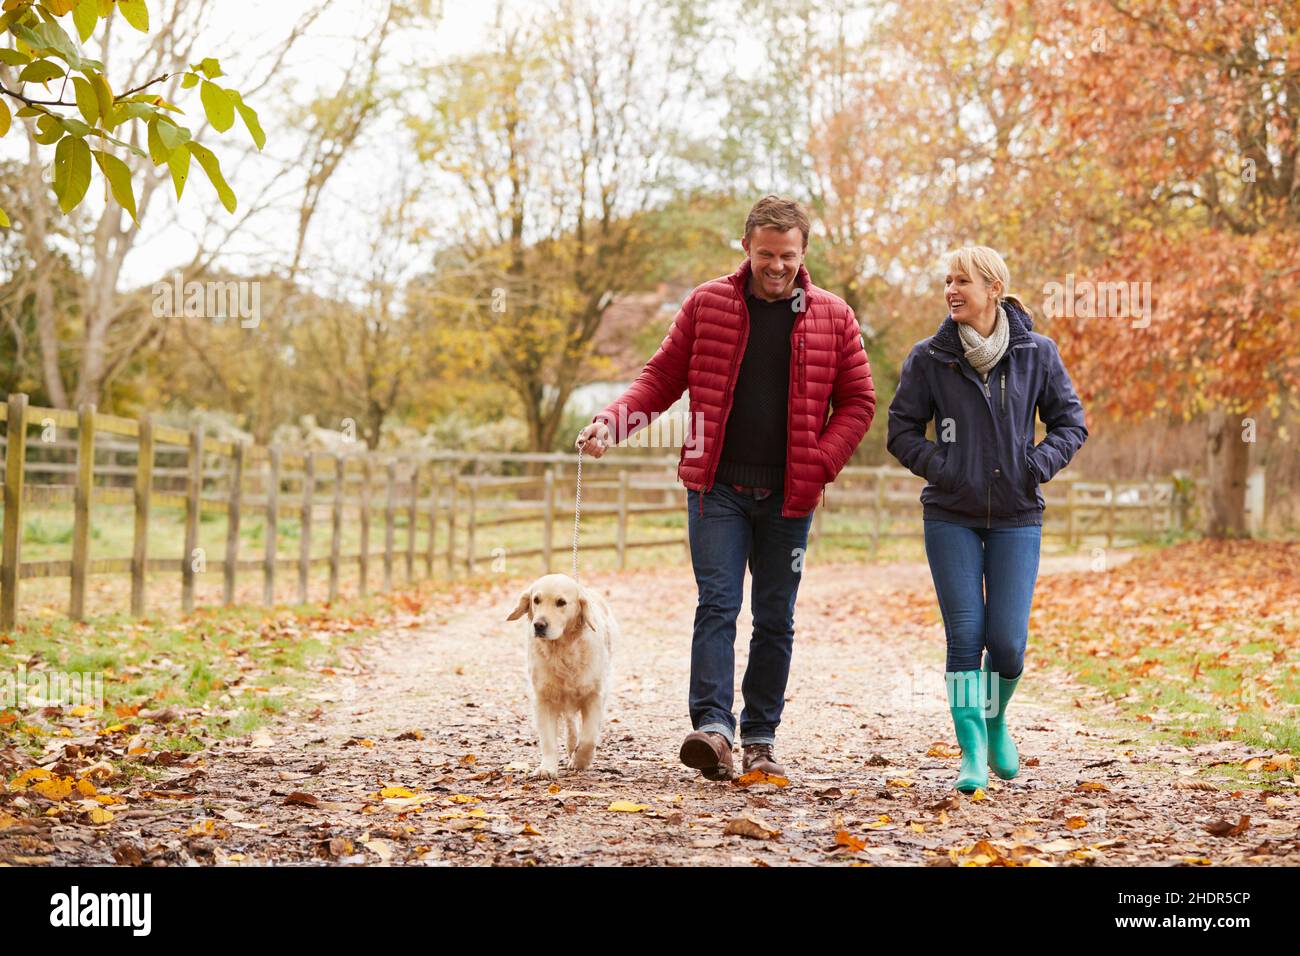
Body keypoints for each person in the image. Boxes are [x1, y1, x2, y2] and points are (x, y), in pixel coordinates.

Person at [576, 195, 875, 781]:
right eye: (766, 254)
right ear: (746, 248)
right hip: (716, 486)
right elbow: (661, 378)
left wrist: (821, 462)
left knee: (775, 616)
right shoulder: (707, 304)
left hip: (790, 493)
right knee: (718, 603)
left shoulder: (834, 316)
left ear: (804, 253)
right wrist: (612, 423)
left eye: (788, 255)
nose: (776, 266)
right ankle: (714, 730)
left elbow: (859, 401)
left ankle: (760, 736)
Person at [886, 246, 1087, 794]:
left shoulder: (1037, 353)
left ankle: (996, 719)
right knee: (965, 637)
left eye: (963, 281)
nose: (951, 290)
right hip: (950, 514)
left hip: (1017, 515)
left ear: (994, 289)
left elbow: (1071, 424)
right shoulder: (930, 357)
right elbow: (901, 431)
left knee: (1007, 643)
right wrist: (944, 468)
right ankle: (972, 747)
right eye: (947, 281)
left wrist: (1034, 465)